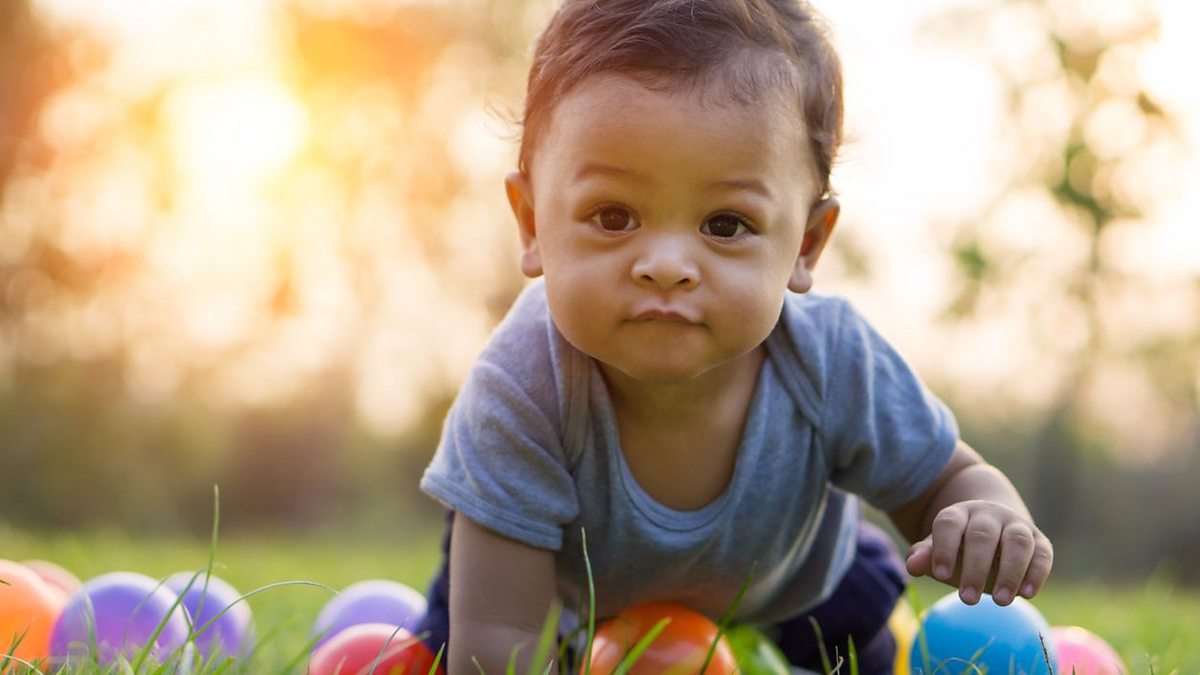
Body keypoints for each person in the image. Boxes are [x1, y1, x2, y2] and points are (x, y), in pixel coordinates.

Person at [416, 1, 1053, 673]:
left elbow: (947, 478)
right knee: (446, 651)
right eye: (613, 215)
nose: (666, 264)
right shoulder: (521, 389)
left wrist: (986, 513)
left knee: (861, 652)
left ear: (805, 244)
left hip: (795, 593)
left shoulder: (833, 361)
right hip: (574, 607)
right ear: (532, 224)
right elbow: (500, 638)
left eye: (724, 225)